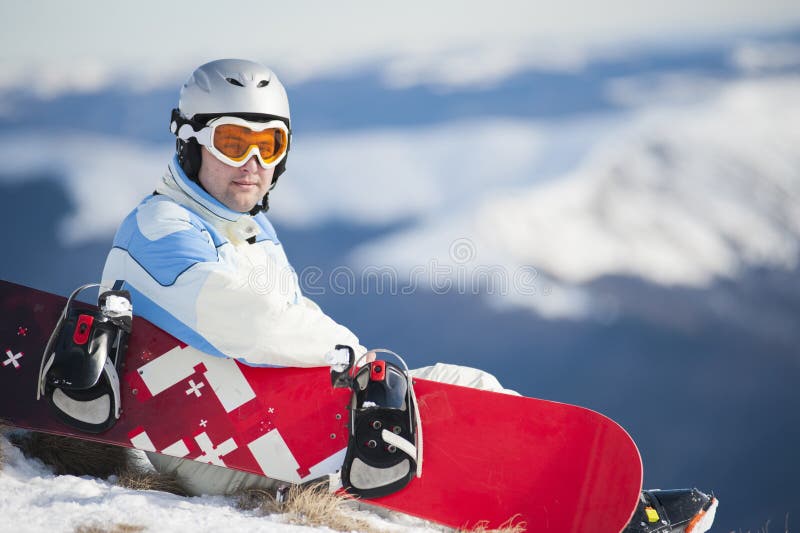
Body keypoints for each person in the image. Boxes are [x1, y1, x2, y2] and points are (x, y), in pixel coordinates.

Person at [101, 59, 716, 532]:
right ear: (189, 141)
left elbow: (287, 316)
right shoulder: (164, 230)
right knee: (452, 410)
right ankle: (616, 520)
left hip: (254, 418)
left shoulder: (241, 227)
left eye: (272, 145)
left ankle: (605, 508)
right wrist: (357, 362)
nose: (254, 163)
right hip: (219, 444)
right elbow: (248, 321)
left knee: (456, 387)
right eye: (235, 143)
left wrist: (361, 368)